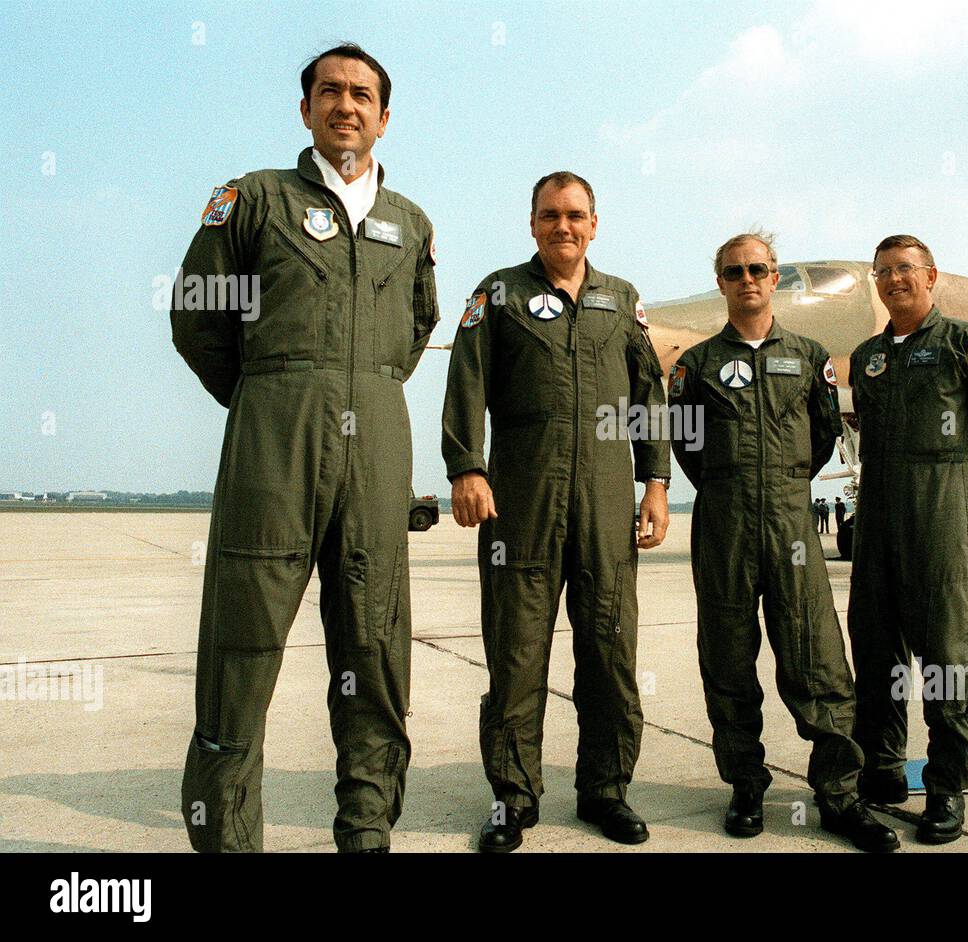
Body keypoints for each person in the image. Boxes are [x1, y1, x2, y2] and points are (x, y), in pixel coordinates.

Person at [170, 45, 437, 853]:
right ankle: (228, 840)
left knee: (375, 639)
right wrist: (264, 397)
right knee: (241, 642)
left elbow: (417, 329)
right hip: (274, 440)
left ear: (384, 116)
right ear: (306, 109)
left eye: (362, 94)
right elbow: (196, 314)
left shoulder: (411, 222)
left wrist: (359, 389)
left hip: (377, 439)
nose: (345, 105)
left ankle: (365, 830)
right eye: (330, 91)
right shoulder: (254, 200)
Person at [442, 171, 671, 853]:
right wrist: (467, 467)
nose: (562, 227)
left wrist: (655, 481)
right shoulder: (499, 293)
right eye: (550, 215)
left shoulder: (620, 299)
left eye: (575, 216)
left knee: (609, 650)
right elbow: (467, 381)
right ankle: (513, 799)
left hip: (604, 503)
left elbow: (647, 396)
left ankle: (607, 791)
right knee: (517, 654)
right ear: (532, 223)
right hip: (523, 503)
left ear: (594, 224)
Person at [669, 231, 897, 852]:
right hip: (724, 525)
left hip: (793, 524)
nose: (748, 279)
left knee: (818, 656)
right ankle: (745, 786)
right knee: (728, 657)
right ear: (721, 282)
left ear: (774, 279)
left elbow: (824, 435)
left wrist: (786, 484)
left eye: (759, 269)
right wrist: (731, 483)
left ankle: (839, 794)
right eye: (735, 270)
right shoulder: (696, 366)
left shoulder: (810, 354)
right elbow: (686, 443)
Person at [847, 235, 968, 845]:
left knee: (946, 652)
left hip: (943, 498)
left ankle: (948, 786)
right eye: (884, 272)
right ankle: (884, 767)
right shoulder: (867, 355)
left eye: (905, 270)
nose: (894, 280)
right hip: (878, 507)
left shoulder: (965, 343)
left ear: (930, 276)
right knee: (873, 643)